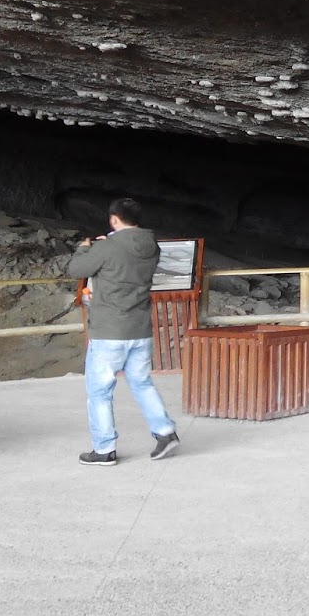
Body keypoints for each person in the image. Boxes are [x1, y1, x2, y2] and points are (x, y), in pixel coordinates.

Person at [69, 197, 180, 465]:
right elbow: (124, 263)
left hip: (109, 330)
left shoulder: (108, 247)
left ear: (113, 219)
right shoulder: (150, 244)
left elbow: (77, 269)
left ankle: (104, 449)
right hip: (139, 328)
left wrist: (85, 249)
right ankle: (165, 433)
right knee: (141, 383)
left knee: (99, 392)